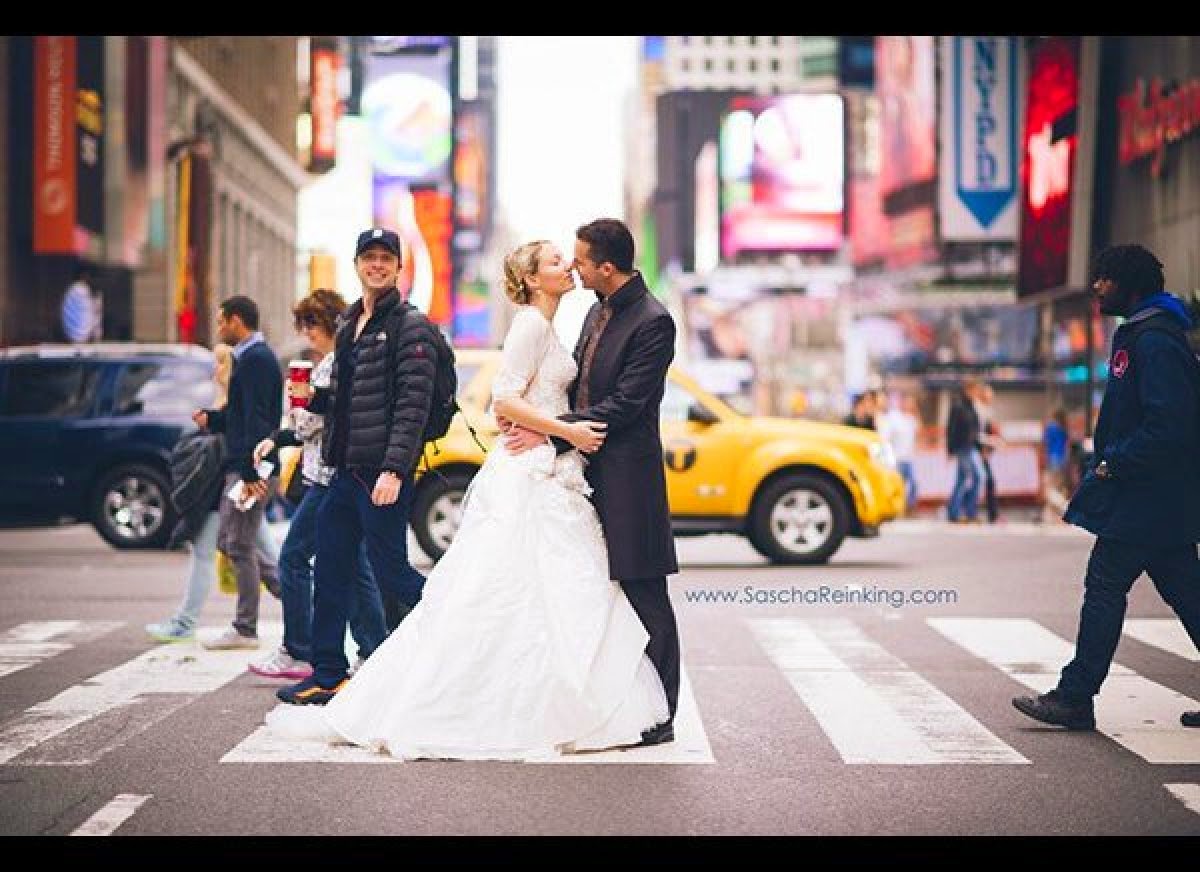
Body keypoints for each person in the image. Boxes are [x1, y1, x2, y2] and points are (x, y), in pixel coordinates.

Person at [264, 237, 669, 759]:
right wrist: (563, 432)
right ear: (529, 279)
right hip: (525, 474)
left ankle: (530, 692)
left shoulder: (555, 324)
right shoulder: (528, 324)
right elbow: (505, 398)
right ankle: (349, 672)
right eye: (552, 262)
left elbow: (525, 401)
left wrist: (552, 433)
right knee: (489, 589)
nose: (566, 266)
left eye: (568, 260)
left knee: (531, 593)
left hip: (543, 469)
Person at [504, 218, 681, 747]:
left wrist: (552, 438)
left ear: (606, 267)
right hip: (579, 476)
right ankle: (612, 701)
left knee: (645, 588)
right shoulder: (593, 310)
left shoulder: (654, 321)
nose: (575, 267)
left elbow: (627, 404)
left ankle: (662, 712)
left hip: (628, 477)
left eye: (580, 260)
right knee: (594, 596)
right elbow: (572, 386)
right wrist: (542, 426)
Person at [1011, 244, 1200, 731]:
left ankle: (1075, 697)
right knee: (1186, 592)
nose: (1096, 286)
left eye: (1105, 278)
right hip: (1156, 500)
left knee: (1105, 586)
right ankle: (1075, 696)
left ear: (1130, 284)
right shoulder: (1142, 333)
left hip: (1147, 497)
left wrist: (1114, 463)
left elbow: (1172, 424)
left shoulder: (1155, 340)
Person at [274, 229, 434, 704]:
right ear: (358, 263)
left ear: (398, 268)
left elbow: (413, 404)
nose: (378, 265)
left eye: (387, 258)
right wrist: (313, 398)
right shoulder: (349, 323)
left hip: (382, 474)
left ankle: (458, 635)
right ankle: (327, 672)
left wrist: (395, 470)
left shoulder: (410, 326)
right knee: (331, 570)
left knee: (394, 576)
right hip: (344, 471)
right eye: (370, 257)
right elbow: (344, 396)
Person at [248, 289, 388, 680]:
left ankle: (300, 648)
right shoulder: (334, 362)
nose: (306, 331)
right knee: (355, 567)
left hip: (328, 477)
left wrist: (299, 404)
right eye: (303, 324)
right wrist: (279, 436)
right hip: (336, 475)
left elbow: (313, 423)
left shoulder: (331, 367)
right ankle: (373, 649)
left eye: (311, 323)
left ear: (328, 323)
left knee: (293, 558)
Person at [145, 344, 279, 643]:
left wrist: (247, 475)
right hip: (227, 487)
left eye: (220, 364)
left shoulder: (235, 396)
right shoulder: (224, 399)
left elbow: (242, 438)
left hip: (227, 486)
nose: (215, 370)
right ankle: (303, 605)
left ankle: (196, 622)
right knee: (248, 550)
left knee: (224, 549)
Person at [195, 296, 284, 650]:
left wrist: (251, 471)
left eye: (221, 322)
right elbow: (241, 413)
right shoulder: (249, 358)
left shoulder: (257, 360)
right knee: (233, 543)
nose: (219, 328)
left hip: (250, 469)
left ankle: (247, 627)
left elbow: (260, 420)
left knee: (238, 544)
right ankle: (293, 597)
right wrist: (213, 419)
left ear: (236, 321)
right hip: (244, 467)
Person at [945, 379, 983, 523]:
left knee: (962, 480)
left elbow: (975, 429)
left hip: (971, 447)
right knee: (975, 477)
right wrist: (950, 449)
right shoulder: (958, 406)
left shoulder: (972, 406)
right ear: (968, 389)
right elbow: (951, 428)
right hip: (962, 447)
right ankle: (968, 511)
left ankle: (956, 511)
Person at [880, 393, 919, 512]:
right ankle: (897, 508)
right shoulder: (894, 418)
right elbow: (885, 437)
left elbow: (915, 437)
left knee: (913, 484)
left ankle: (909, 507)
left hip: (908, 458)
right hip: (897, 458)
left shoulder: (912, 420)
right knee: (897, 486)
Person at [974, 383, 1001, 523]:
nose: (991, 398)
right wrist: (985, 447)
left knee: (985, 481)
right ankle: (990, 515)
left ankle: (991, 515)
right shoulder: (978, 410)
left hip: (984, 450)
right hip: (978, 450)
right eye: (989, 395)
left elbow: (989, 430)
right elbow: (978, 433)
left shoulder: (987, 411)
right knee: (984, 480)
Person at [61, 267, 102, 343]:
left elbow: (96, 317)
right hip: (78, 337)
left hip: (83, 337)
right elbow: (90, 315)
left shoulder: (93, 294)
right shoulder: (79, 290)